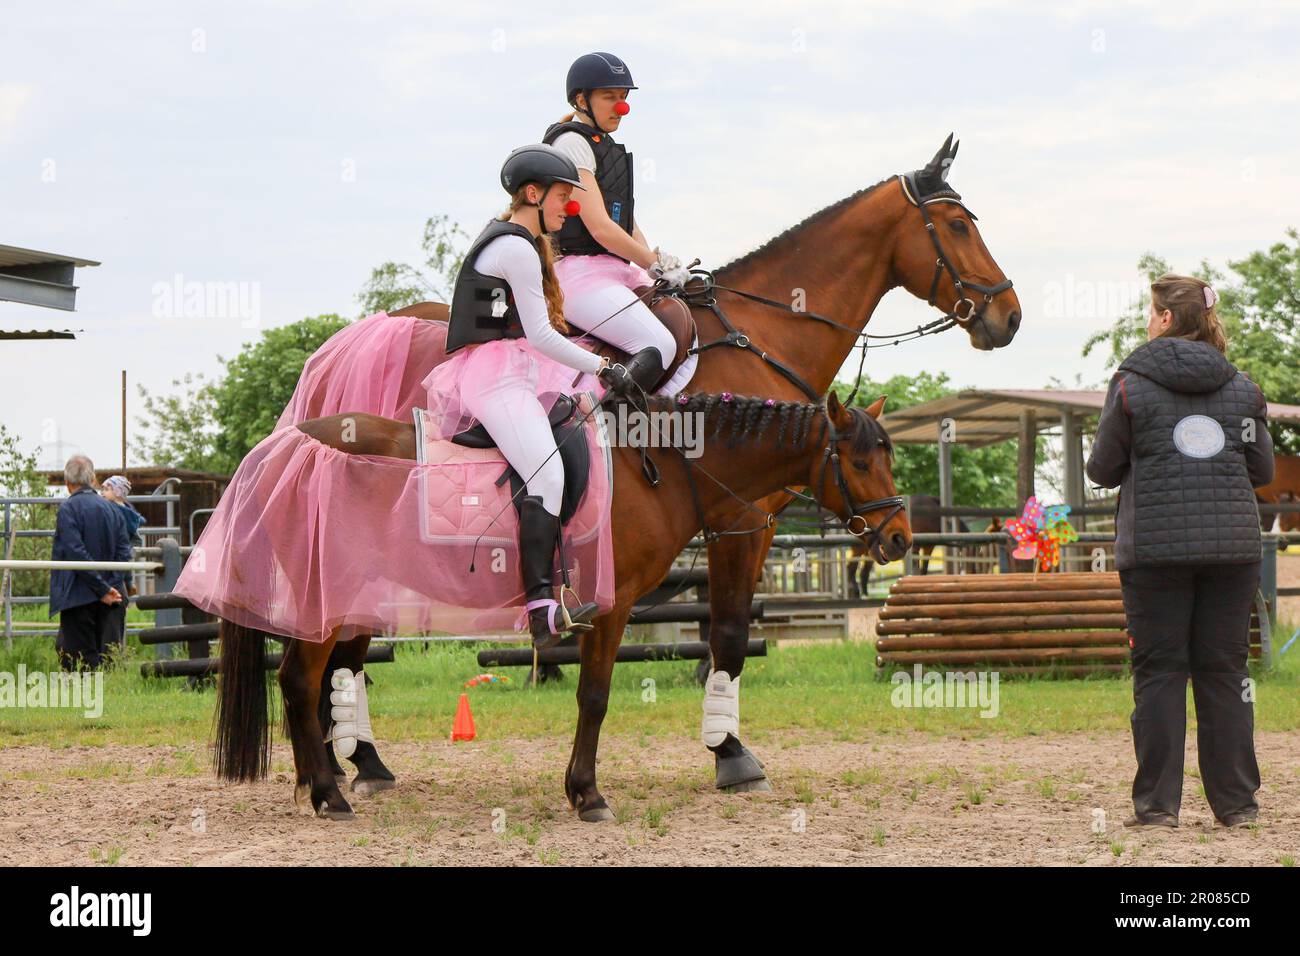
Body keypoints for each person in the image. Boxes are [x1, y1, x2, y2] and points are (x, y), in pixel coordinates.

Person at [422, 143, 638, 648]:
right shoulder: (516, 247)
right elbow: (542, 334)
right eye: (564, 197)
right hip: (496, 376)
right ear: (533, 194)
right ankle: (540, 612)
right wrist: (606, 366)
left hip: (519, 371)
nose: (570, 207)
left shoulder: (526, 242)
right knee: (548, 473)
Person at [1086, 273, 1274, 830]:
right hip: (1233, 553)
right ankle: (1238, 807)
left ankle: (1158, 809)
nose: (1148, 320)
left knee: (1160, 673)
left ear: (1166, 319)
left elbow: (1101, 468)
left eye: (1151, 311)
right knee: (1225, 673)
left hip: (1155, 555)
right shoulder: (1243, 387)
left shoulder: (1129, 385)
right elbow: (1262, 471)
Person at [542, 51, 698, 397]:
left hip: (611, 271)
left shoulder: (606, 148)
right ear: (581, 99)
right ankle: (598, 425)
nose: (621, 107)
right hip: (575, 274)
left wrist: (657, 259)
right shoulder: (571, 143)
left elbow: (624, 222)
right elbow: (599, 227)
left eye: (624, 98)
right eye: (610, 97)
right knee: (658, 342)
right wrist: (651, 263)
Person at [48, 456, 131, 670]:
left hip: (77, 594)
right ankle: (98, 696)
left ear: (67, 483)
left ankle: (87, 700)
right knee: (101, 651)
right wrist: (109, 587)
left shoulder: (68, 510)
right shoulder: (113, 510)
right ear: (93, 479)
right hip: (109, 596)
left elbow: (75, 552)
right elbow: (123, 553)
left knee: (79, 657)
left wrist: (102, 588)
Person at [99, 475, 145, 654]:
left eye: (106, 489)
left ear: (118, 493)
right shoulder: (127, 511)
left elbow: (122, 549)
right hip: (119, 563)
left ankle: (111, 654)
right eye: (102, 489)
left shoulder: (113, 512)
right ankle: (130, 583)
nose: (102, 492)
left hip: (115, 563)